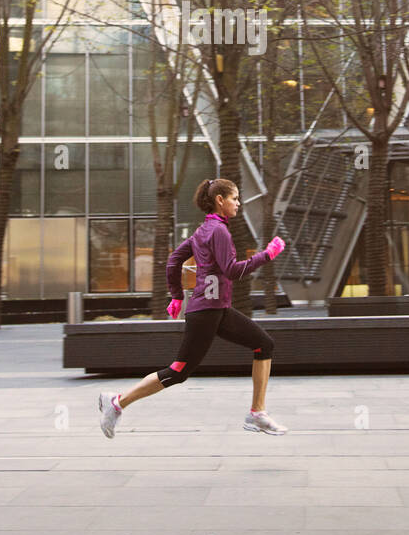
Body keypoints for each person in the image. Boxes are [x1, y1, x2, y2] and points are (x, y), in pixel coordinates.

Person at [99, 177, 287, 438]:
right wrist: (266, 255)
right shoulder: (219, 231)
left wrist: (176, 296)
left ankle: (257, 413)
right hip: (206, 313)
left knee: (263, 344)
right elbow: (232, 271)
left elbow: (174, 261)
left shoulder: (202, 231)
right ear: (220, 200)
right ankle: (118, 402)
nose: (238, 203)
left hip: (216, 309)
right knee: (178, 371)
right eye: (234, 198)